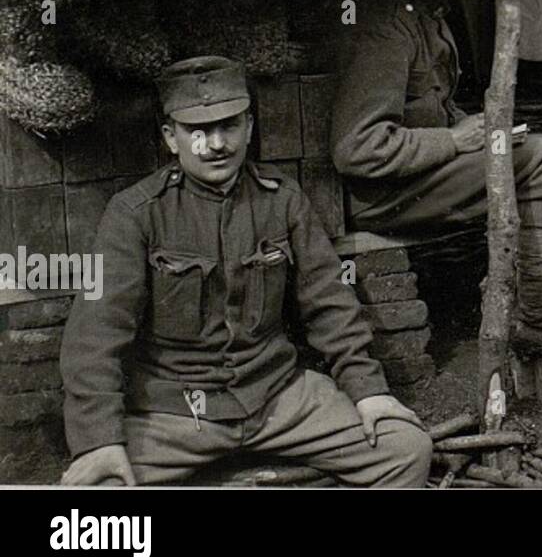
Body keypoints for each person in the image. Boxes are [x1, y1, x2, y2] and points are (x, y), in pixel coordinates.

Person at [59, 56, 432, 487]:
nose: (216, 144)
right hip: (176, 412)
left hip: (278, 397)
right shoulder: (135, 213)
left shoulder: (283, 200)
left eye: (229, 125)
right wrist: (99, 440)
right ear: (170, 138)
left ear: (250, 128)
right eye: (197, 131)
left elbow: (330, 304)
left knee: (404, 449)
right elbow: (96, 334)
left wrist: (369, 392)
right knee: (98, 492)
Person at [330, 0, 542, 366]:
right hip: (382, 198)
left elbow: (430, 110)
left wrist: (474, 129)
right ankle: (541, 319)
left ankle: (536, 300)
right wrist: (454, 141)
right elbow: (356, 148)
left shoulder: (431, 20)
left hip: (415, 182)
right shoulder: (387, 30)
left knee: (529, 150)